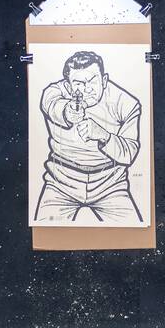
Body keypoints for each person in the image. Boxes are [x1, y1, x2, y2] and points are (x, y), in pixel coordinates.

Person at [34, 50, 144, 222]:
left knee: (135, 232)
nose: (87, 89)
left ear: (104, 80)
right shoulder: (54, 92)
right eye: (78, 83)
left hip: (110, 185)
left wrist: (103, 136)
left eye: (93, 81)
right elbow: (51, 103)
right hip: (61, 183)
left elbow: (129, 153)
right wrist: (67, 112)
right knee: (43, 230)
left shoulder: (127, 104)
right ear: (68, 86)